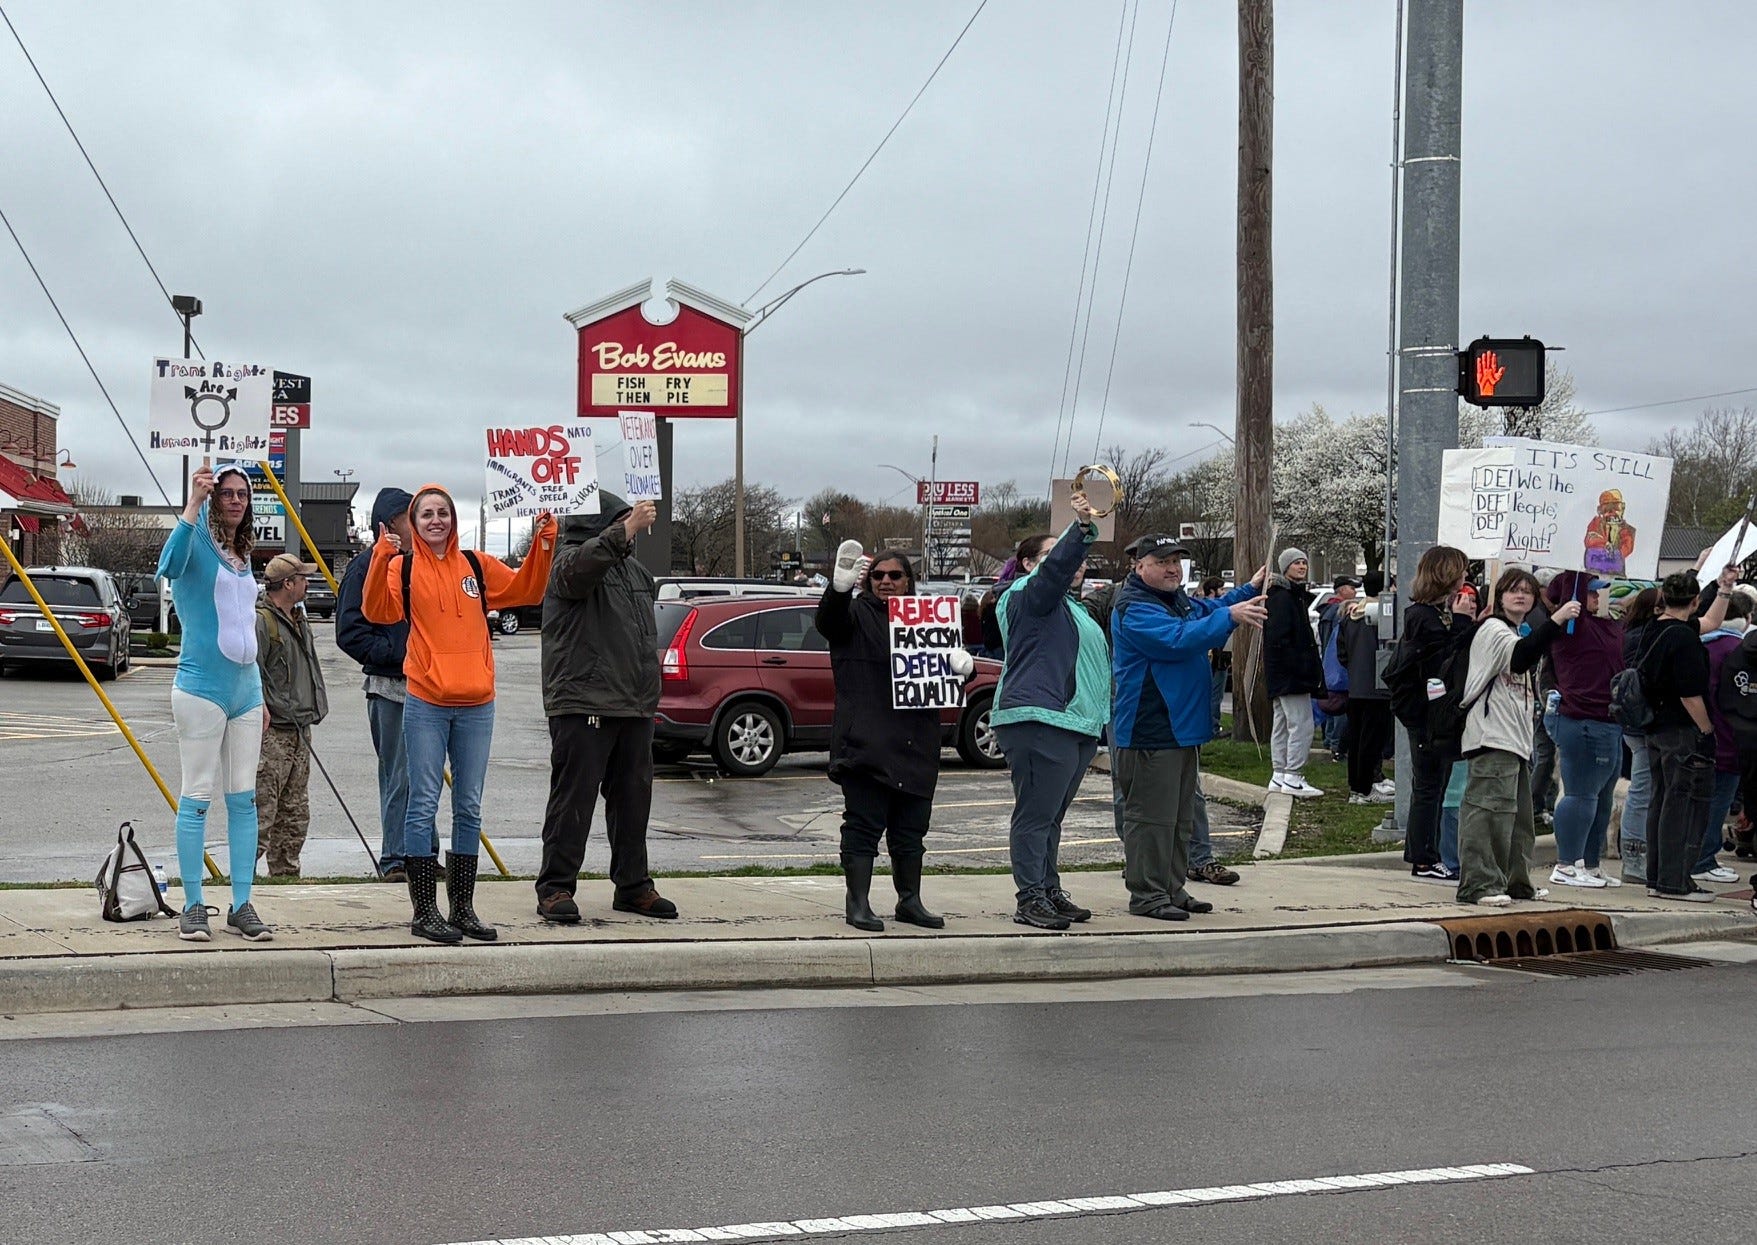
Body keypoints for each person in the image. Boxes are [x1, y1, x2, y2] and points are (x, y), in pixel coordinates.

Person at [363, 485, 556, 942]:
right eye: (426, 514)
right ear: (412, 522)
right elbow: (375, 609)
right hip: (426, 701)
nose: (436, 520)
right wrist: (378, 557)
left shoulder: (476, 564)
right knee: (422, 804)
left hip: (477, 704)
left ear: (453, 518)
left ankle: (463, 907)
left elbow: (527, 588)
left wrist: (543, 540)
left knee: (468, 806)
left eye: (443, 513)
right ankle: (425, 910)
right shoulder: (401, 567)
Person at [533, 494, 678, 924]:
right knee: (572, 801)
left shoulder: (634, 571)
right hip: (583, 702)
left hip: (633, 705)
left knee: (633, 801)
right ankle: (555, 887)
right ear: (599, 525)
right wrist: (626, 529)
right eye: (618, 521)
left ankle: (633, 886)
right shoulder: (567, 563)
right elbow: (584, 569)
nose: (629, 528)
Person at [817, 541, 972, 931]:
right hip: (867, 741)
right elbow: (828, 624)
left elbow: (947, 670)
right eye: (878, 575)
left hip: (917, 742)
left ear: (909, 581)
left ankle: (910, 900)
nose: (886, 581)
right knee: (863, 826)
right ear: (868, 580)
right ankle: (858, 904)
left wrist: (963, 667)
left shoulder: (929, 619)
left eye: (895, 575)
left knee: (911, 830)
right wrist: (838, 589)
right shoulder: (854, 615)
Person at [1112, 535, 1266, 919]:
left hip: (1178, 727)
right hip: (1150, 726)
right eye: (1162, 561)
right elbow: (1178, 639)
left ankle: (1171, 887)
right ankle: (1147, 895)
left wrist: (1249, 589)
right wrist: (1229, 617)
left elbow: (1206, 608)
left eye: (1177, 561)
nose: (1172, 568)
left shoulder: (1174, 600)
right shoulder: (1134, 608)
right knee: (1151, 819)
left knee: (1180, 818)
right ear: (1138, 565)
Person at [156, 463, 272, 942]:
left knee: (244, 798)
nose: (236, 499)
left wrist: (261, 695)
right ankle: (193, 905)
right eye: (227, 492)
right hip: (201, 687)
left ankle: (242, 904)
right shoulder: (196, 544)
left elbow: (247, 630)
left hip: (246, 691)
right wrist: (192, 504)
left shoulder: (243, 555)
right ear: (213, 496)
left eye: (243, 493)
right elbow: (167, 566)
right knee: (198, 794)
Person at [992, 509, 1110, 930]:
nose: (1075, 565)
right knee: (1036, 814)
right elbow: (1053, 574)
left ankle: (1047, 887)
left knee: (1051, 816)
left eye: (1080, 559)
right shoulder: (1027, 594)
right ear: (1028, 562)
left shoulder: (1070, 608)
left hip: (1076, 722)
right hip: (1039, 717)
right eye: (1059, 555)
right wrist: (1079, 533)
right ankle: (1030, 897)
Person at [1455, 568, 1580, 906]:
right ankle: (1479, 884)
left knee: (1520, 821)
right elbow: (1522, 656)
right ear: (1499, 597)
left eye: (1527, 590)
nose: (1521, 596)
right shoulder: (1493, 630)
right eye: (1512, 590)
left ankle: (1517, 882)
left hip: (1517, 742)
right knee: (1488, 814)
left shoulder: (1517, 630)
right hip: (1492, 737)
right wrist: (1555, 620)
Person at [336, 486, 432, 881]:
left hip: (429, 688)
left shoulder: (423, 563)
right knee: (399, 776)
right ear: (390, 523)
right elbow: (350, 632)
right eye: (411, 518)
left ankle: (423, 855)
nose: (419, 525)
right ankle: (395, 858)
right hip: (390, 688)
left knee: (424, 777)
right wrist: (398, 653)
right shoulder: (365, 567)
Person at [1638, 571, 1720, 902]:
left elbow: (1711, 621)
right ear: (1694, 601)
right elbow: (1690, 694)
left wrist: (1723, 589)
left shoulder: (1655, 628)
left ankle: (1657, 875)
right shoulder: (1684, 639)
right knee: (1682, 803)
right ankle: (1675, 880)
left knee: (1661, 799)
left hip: (1655, 726)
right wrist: (1706, 728)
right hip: (1681, 728)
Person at [1400, 545, 1478, 882]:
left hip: (1432, 712)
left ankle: (1423, 853)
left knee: (1436, 783)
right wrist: (1461, 623)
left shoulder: (1430, 613)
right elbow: (1445, 659)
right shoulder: (1424, 617)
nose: (1465, 578)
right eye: (1460, 571)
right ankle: (1424, 858)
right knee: (1429, 785)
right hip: (1424, 712)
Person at [1542, 571, 1624, 889]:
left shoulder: (1606, 622)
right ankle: (1566, 864)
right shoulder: (1572, 626)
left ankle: (1589, 864)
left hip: (1608, 721)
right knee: (1581, 795)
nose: (1599, 595)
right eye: (1592, 591)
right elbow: (1573, 585)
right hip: (1582, 719)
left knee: (1601, 799)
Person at [254, 553, 329, 878]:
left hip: (301, 729)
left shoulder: (298, 617)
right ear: (287, 584)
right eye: (302, 579)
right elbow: (249, 671)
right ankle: (242, 880)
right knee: (262, 812)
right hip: (272, 734)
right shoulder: (261, 621)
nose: (307, 584)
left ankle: (285, 874)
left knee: (295, 811)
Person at [1695, 590, 1753, 885]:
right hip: (1730, 739)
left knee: (1699, 800)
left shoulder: (1703, 646)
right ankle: (1704, 858)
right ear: (1746, 618)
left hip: (1698, 734)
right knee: (1718, 801)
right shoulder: (1739, 651)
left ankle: (1697, 855)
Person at [1264, 548, 1324, 798]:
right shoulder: (1283, 598)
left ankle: (1279, 774)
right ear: (1285, 567)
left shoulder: (1289, 596)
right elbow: (1280, 639)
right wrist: (1299, 667)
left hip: (1282, 674)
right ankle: (1293, 776)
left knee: (1282, 722)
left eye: (1304, 562)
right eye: (1296, 563)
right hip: (1291, 674)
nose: (1302, 566)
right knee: (1301, 724)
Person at [1339, 570, 1396, 808]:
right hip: (1377, 687)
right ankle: (1365, 788)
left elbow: (1342, 653)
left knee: (1357, 739)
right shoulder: (1384, 617)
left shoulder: (1350, 615)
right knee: (1372, 741)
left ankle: (1357, 786)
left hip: (1356, 686)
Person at [1317, 577, 1359, 761]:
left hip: (1329, 666)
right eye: (1352, 588)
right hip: (1339, 668)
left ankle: (1329, 740)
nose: (1355, 591)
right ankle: (1335, 745)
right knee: (1340, 707)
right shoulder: (1338, 614)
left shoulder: (1327, 611)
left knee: (1331, 704)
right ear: (1341, 590)